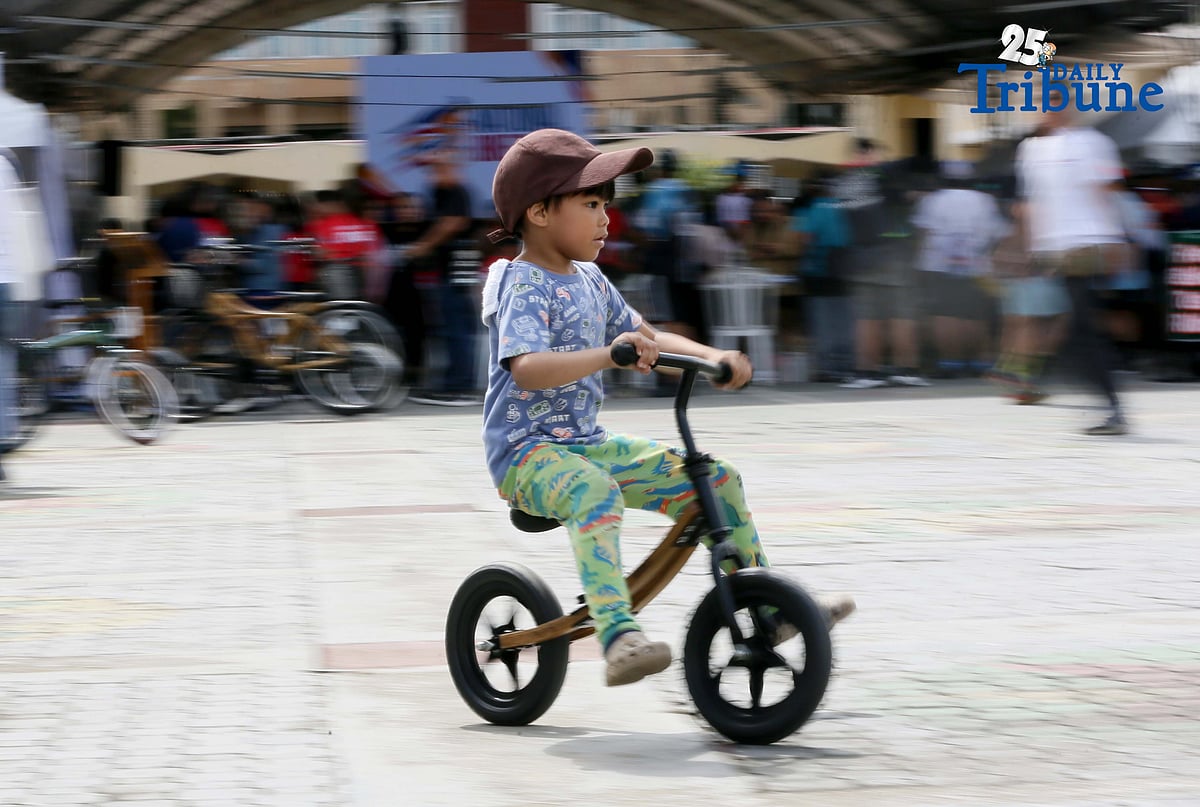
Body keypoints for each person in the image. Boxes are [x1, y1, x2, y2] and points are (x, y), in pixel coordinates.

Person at [480, 129, 855, 687]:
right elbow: (527, 368)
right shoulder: (523, 284)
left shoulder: (591, 280)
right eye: (590, 204)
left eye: (606, 204)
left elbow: (649, 336)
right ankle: (618, 637)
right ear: (538, 212)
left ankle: (768, 612)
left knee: (716, 480)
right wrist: (608, 354)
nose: (606, 219)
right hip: (525, 454)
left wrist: (712, 356)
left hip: (585, 445)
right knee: (593, 492)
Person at [1015, 100, 1130, 435]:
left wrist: (1116, 240)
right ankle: (1105, 402)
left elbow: (1106, 193)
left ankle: (1112, 407)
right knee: (1075, 326)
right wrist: (1032, 248)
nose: (1049, 112)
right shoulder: (1030, 151)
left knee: (1080, 327)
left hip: (1086, 244)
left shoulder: (1091, 143)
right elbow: (1031, 203)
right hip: (1055, 249)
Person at [407, 151, 478, 405]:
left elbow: (452, 223)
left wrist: (423, 246)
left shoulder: (456, 192)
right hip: (449, 268)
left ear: (452, 168)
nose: (433, 174)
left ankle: (459, 386)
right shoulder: (442, 193)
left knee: (456, 327)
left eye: (438, 168)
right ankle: (455, 382)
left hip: (456, 268)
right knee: (451, 327)